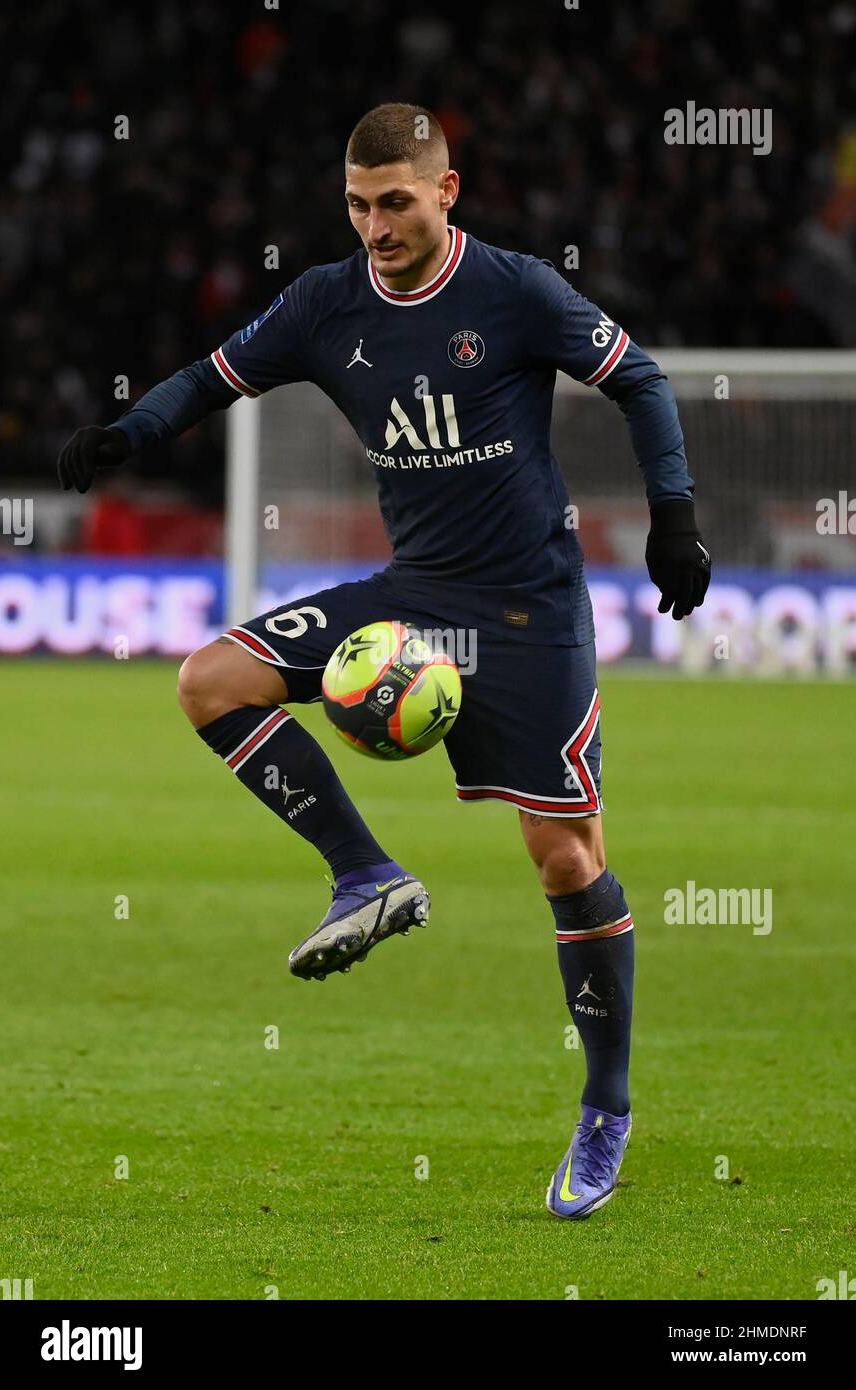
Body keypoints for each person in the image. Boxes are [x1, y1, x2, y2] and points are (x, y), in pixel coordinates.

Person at [57, 103, 711, 1221]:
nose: (376, 226)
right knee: (210, 680)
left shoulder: (514, 290)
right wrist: (133, 433)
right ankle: (366, 875)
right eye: (358, 206)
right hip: (411, 600)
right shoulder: (325, 302)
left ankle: (605, 1105)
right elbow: (212, 377)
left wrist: (675, 517)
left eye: (396, 202)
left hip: (527, 612)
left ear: (445, 191)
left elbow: (639, 379)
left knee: (564, 860)